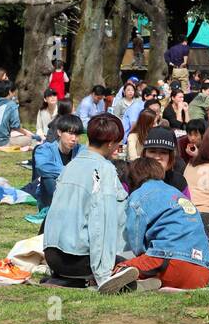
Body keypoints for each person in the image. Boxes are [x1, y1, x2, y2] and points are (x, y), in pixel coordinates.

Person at [41, 113, 139, 293]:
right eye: (118, 142)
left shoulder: (71, 164)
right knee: (135, 263)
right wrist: (103, 273)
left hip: (52, 256)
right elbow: (102, 221)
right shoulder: (104, 169)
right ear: (110, 143)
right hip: (79, 260)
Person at [116, 157, 209, 290]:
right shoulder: (177, 194)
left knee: (122, 267)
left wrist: (140, 255)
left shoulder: (139, 195)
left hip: (170, 263)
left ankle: (142, 279)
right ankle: (152, 281)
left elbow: (135, 235)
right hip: (203, 272)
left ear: (133, 177)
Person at [26, 113, 85, 221]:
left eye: (77, 135)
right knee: (48, 178)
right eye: (70, 133)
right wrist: (73, 172)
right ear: (59, 132)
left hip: (75, 193)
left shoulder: (81, 150)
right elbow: (43, 167)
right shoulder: (44, 149)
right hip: (52, 196)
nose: (74, 139)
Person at [0, 80, 32, 149]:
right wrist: (26, 133)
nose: (15, 95)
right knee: (28, 139)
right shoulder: (11, 105)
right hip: (2, 143)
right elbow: (16, 126)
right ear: (9, 92)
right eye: (14, 92)